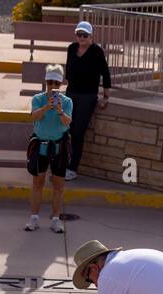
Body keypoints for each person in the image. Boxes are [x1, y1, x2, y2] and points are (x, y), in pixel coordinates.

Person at [24, 64, 70, 235]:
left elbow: (67, 122)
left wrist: (59, 111)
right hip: (41, 146)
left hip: (59, 147)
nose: (53, 87)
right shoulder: (38, 99)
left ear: (61, 85)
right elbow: (33, 116)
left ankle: (56, 218)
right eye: (50, 83)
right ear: (45, 82)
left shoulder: (67, 102)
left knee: (58, 185)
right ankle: (34, 217)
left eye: (56, 84)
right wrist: (46, 107)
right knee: (38, 183)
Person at [64, 20, 109, 181]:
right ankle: (61, 163)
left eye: (85, 35)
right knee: (65, 128)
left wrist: (105, 96)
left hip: (87, 96)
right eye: (79, 34)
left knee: (78, 131)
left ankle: (72, 167)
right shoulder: (72, 48)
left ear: (91, 36)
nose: (81, 37)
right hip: (71, 93)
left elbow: (105, 73)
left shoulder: (96, 51)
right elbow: (68, 68)